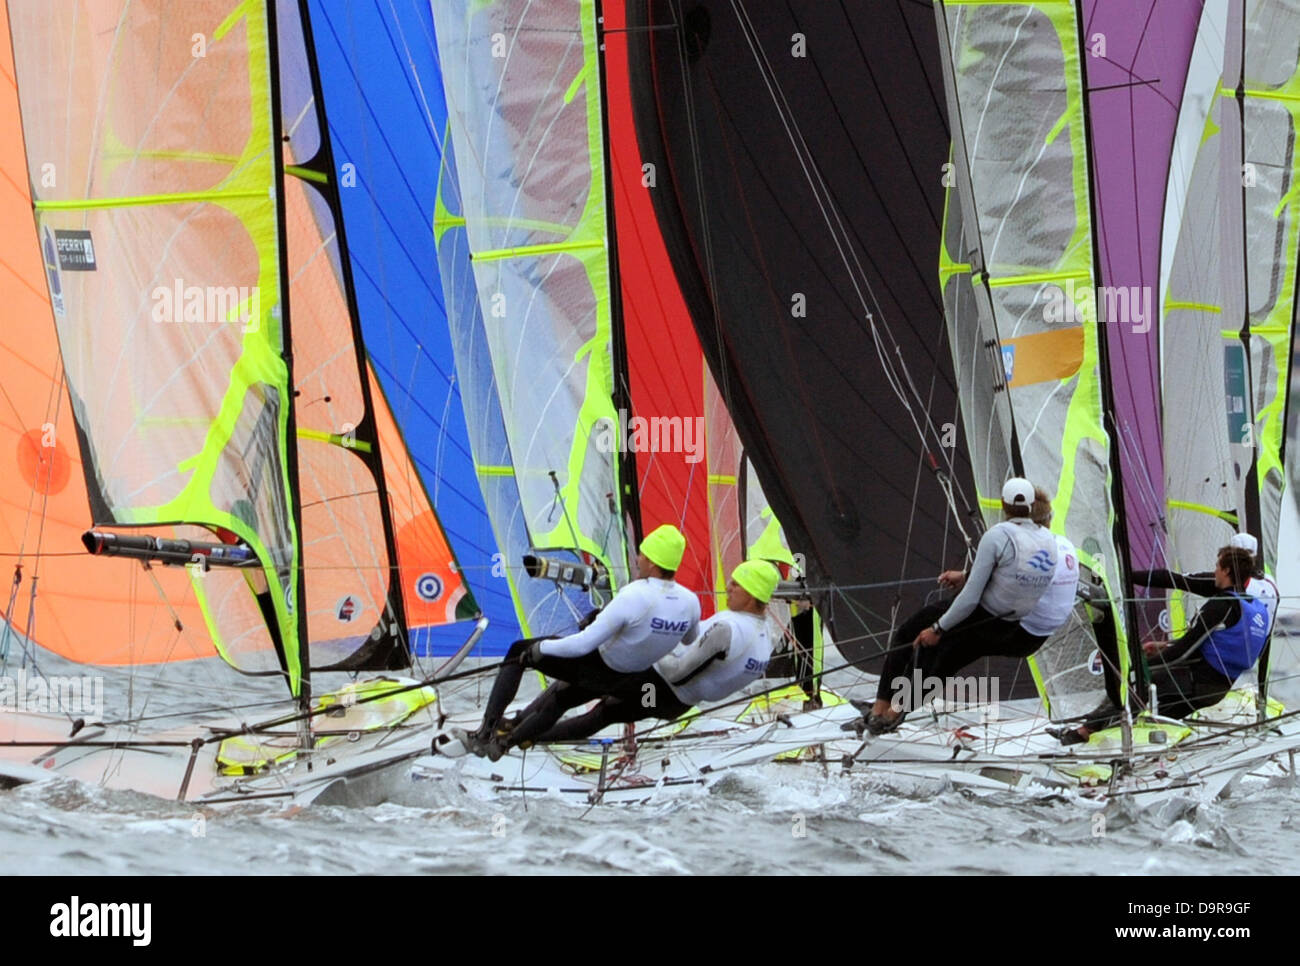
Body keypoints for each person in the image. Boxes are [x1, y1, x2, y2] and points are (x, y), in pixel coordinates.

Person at [459, 524, 701, 760]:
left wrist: (539, 649)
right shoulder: (690, 602)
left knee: (518, 651)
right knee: (563, 697)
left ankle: (484, 733)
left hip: (599, 663)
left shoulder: (635, 593)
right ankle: (504, 743)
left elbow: (583, 645)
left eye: (641, 555)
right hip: (628, 676)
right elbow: (690, 639)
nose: (637, 559)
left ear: (651, 561)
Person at [852, 477, 1057, 735]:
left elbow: (970, 598)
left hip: (977, 616)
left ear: (1003, 504)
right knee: (939, 663)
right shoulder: (1049, 541)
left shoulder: (998, 536)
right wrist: (965, 575)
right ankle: (893, 713)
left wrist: (938, 628)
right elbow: (1013, 575)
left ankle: (881, 711)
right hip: (1006, 627)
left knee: (910, 634)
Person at [506, 560, 780, 749]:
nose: (729, 585)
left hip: (658, 686)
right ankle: (529, 739)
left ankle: (513, 729)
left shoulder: (727, 628)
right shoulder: (766, 636)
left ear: (754, 594)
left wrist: (655, 643)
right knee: (605, 714)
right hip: (673, 705)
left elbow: (678, 673)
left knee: (578, 683)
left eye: (737, 584)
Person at [1051, 545, 1268, 744]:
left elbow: (1183, 652)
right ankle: (1103, 736)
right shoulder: (1256, 607)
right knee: (1149, 713)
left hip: (1196, 680)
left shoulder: (1221, 605)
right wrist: (1164, 646)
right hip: (1218, 687)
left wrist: (1139, 665)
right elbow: (1219, 642)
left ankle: (1084, 731)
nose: (1214, 572)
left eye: (1217, 567)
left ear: (1227, 571)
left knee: (1135, 682)